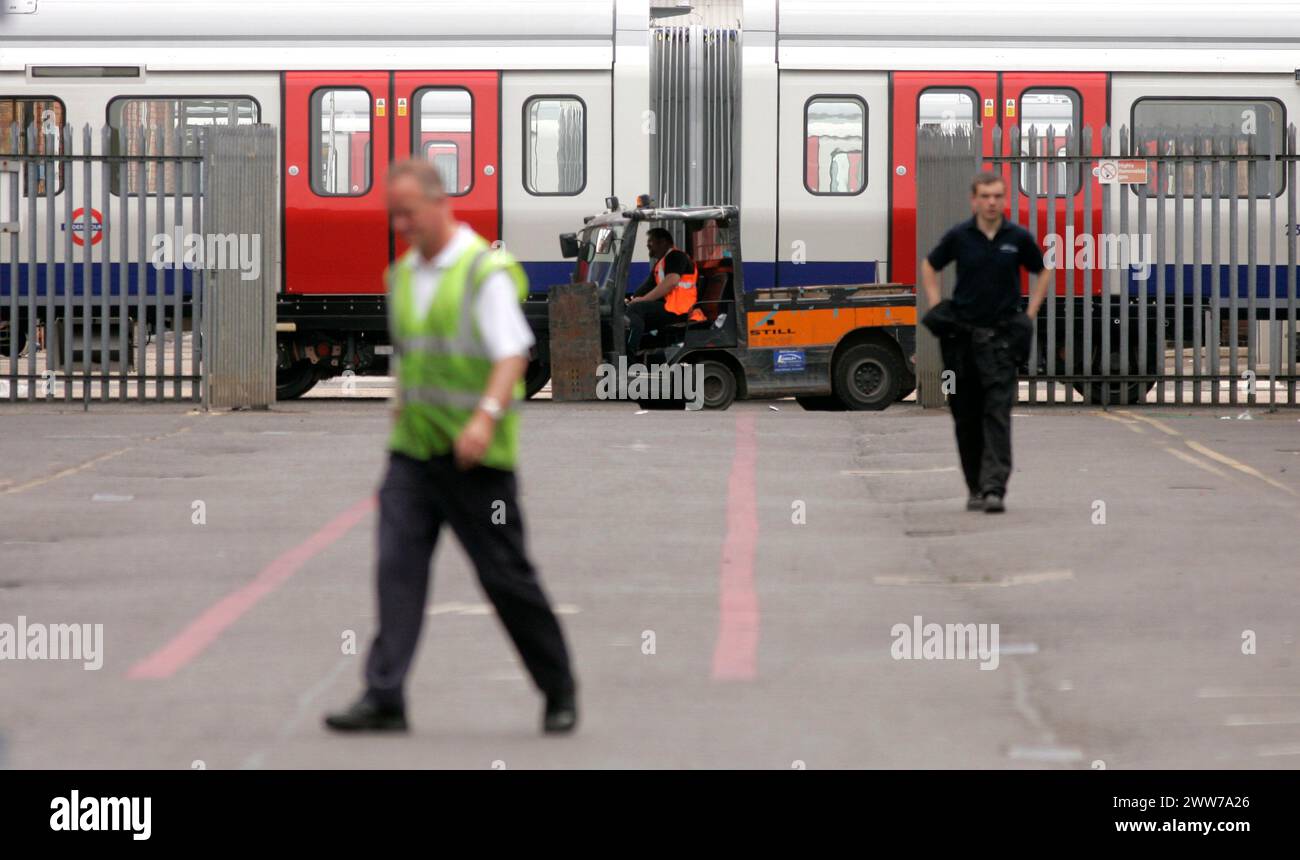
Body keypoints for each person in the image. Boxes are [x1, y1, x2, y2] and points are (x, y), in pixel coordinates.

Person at [324, 160, 577, 735]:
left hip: (476, 460)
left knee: (505, 577)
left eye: (410, 212)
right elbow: (414, 356)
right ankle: (384, 694)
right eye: (397, 215)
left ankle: (558, 686)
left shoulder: (480, 271)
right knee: (397, 568)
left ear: (441, 204)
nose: (403, 223)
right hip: (413, 456)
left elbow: (514, 352)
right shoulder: (404, 274)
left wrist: (484, 419)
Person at [920, 171, 1053, 514]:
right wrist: (936, 305)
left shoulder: (1017, 238)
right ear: (974, 200)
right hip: (962, 340)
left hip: (1001, 341)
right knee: (966, 417)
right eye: (985, 196)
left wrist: (1030, 314)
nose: (991, 202)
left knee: (997, 413)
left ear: (1004, 199)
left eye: (997, 196)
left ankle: (995, 488)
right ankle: (975, 487)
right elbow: (930, 265)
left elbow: (1043, 270)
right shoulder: (960, 237)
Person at [624, 227, 702, 354]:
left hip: (679, 309)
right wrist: (630, 299)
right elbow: (647, 287)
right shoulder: (661, 263)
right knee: (627, 309)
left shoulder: (676, 256)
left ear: (663, 242)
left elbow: (670, 282)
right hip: (669, 307)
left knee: (636, 310)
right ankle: (639, 350)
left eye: (651, 241)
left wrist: (642, 300)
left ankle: (629, 355)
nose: (647, 244)